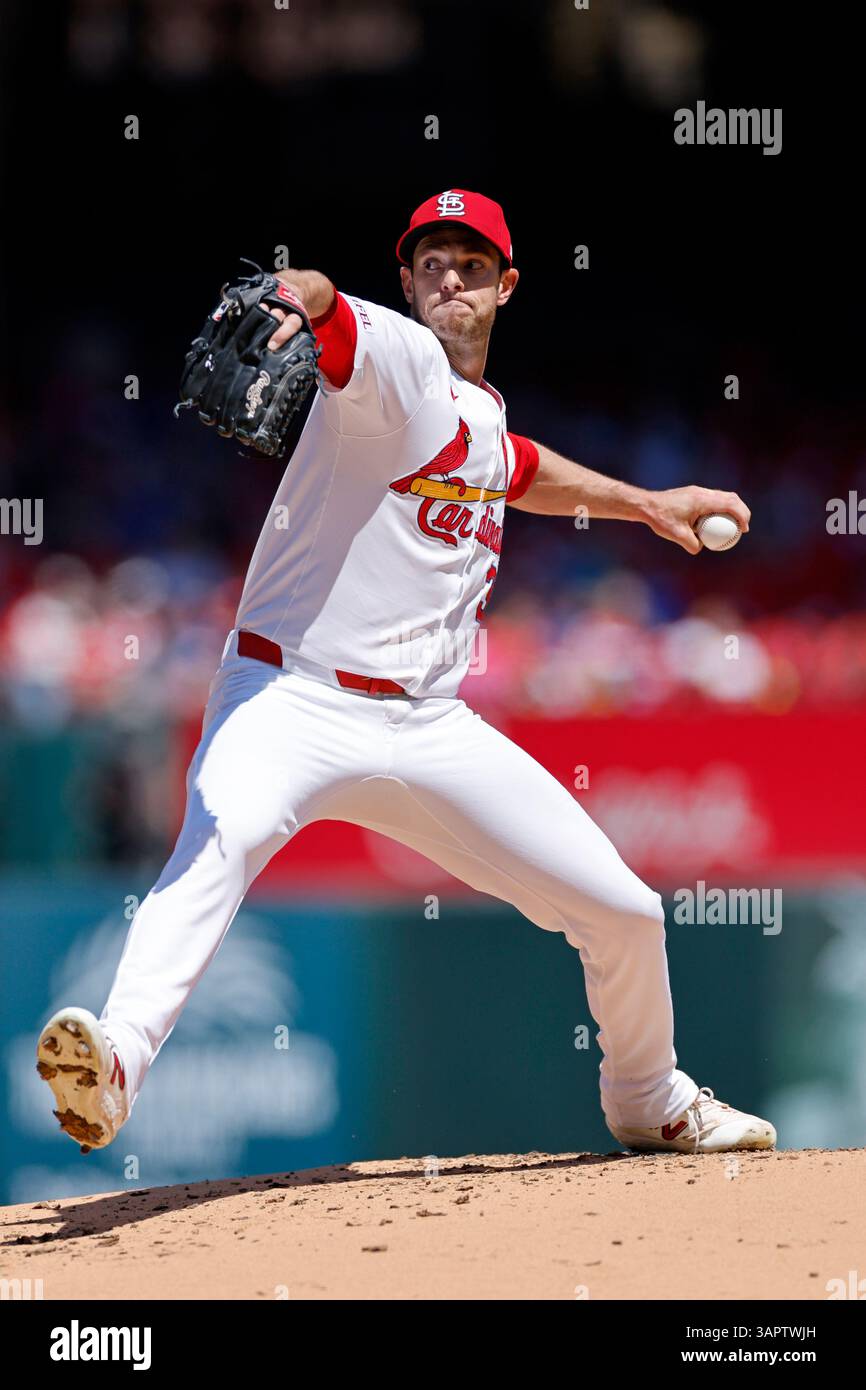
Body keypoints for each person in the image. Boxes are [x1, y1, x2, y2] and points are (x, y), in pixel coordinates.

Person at [37, 189, 775, 1157]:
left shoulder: (472, 414)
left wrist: (644, 504)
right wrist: (296, 293)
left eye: (470, 264)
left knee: (627, 911)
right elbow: (333, 311)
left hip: (428, 727)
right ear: (406, 279)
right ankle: (118, 1062)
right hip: (290, 696)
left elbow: (511, 465)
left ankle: (648, 1097)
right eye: (431, 261)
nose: (449, 278)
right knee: (223, 836)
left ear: (505, 286)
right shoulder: (397, 359)